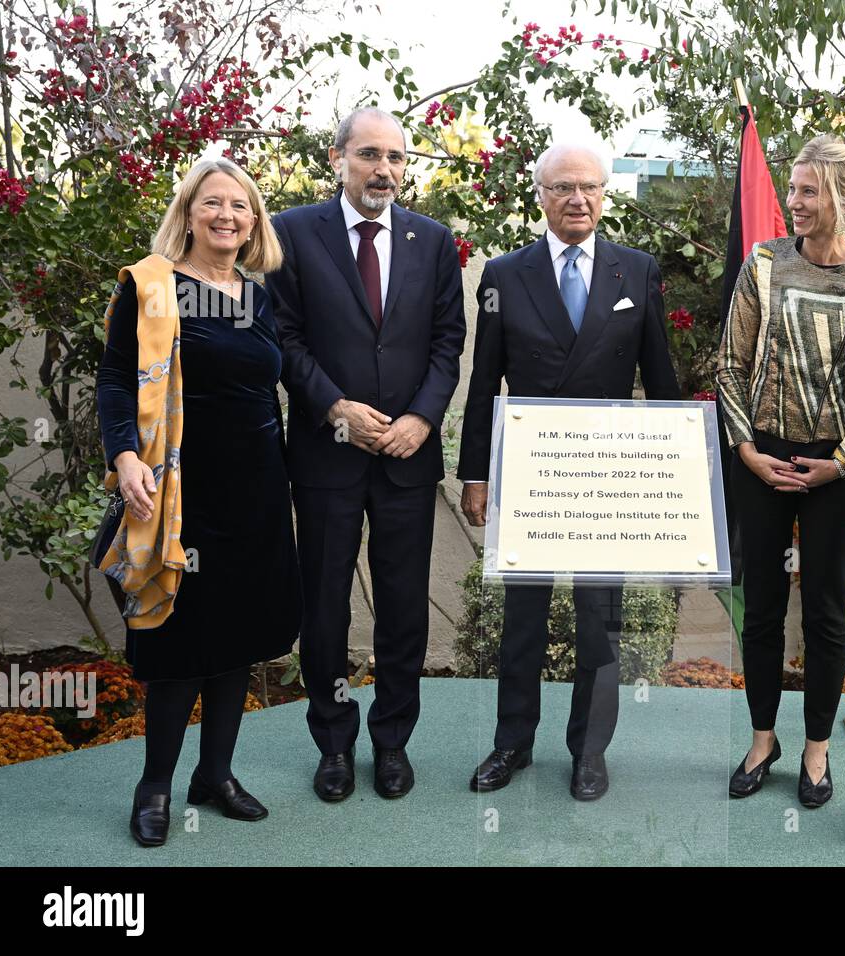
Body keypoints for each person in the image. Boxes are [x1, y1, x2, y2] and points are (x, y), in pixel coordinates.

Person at [457, 143, 680, 801]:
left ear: (604, 194)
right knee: (522, 619)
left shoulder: (636, 272)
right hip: (530, 476)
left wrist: (673, 473)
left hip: (605, 477)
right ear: (541, 196)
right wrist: (476, 473)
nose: (578, 199)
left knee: (598, 619)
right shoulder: (504, 273)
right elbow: (483, 383)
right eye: (563, 188)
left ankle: (589, 752)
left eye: (589, 187)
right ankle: (512, 744)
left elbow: (662, 381)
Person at [97, 157, 300, 847]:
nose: (227, 217)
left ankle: (215, 776)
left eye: (240, 207)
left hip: (258, 493)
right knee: (179, 643)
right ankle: (154, 786)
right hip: (179, 492)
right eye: (213, 203)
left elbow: (268, 388)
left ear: (254, 223)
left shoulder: (254, 295)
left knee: (237, 637)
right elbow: (117, 378)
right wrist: (125, 456)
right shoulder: (153, 287)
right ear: (188, 213)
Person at [269, 107, 466, 803]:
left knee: (404, 606)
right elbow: (283, 337)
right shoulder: (292, 233)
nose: (385, 168)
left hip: (407, 458)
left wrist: (422, 417)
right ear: (338, 158)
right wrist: (335, 407)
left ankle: (391, 742)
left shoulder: (434, 240)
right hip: (327, 455)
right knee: (323, 607)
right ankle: (332, 740)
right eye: (370, 154)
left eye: (398, 157)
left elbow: (449, 341)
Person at [718, 134, 845, 809]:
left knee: (823, 609)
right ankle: (763, 741)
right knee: (759, 603)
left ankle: (817, 751)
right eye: (791, 189)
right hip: (761, 455)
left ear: (844, 199)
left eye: (809, 191)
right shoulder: (762, 263)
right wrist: (746, 449)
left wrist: (841, 463)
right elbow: (730, 363)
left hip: (836, 466)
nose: (794, 202)